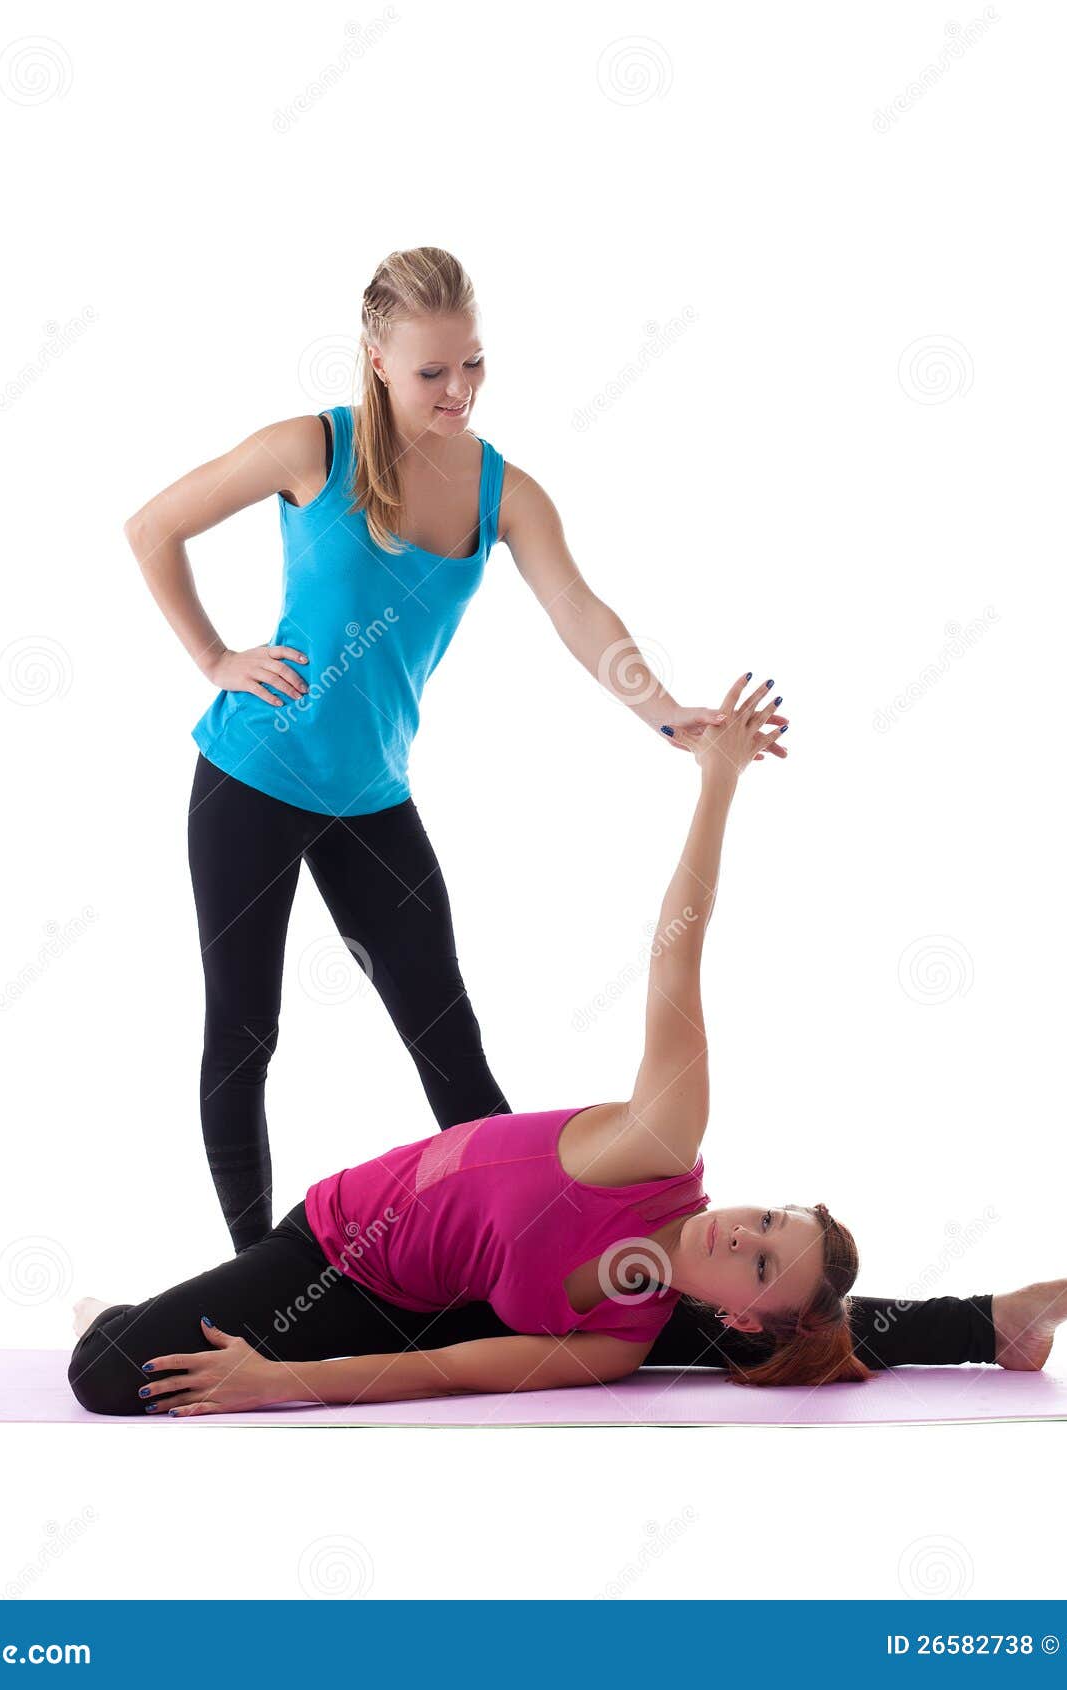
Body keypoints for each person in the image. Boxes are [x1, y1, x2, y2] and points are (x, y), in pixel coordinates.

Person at [67, 675, 1067, 1415]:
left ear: (740, 1303)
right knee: (110, 1361)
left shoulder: (619, 1339)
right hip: (342, 1251)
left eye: (758, 1260)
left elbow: (445, 1379)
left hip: (453, 1318)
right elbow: (678, 951)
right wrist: (717, 780)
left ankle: (992, 1320)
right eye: (763, 1217)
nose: (738, 1232)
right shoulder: (659, 1143)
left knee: (704, 1342)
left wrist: (281, 1385)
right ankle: (981, 1319)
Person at [121, 245, 740, 1255]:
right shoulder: (307, 449)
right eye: (430, 372)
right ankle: (251, 1281)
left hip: (370, 795)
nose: (456, 391)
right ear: (373, 357)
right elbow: (151, 526)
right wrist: (213, 656)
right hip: (250, 778)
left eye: (472, 366)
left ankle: (536, 1250)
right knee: (243, 1034)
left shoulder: (502, 490)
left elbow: (577, 609)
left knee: (445, 1034)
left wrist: (664, 712)